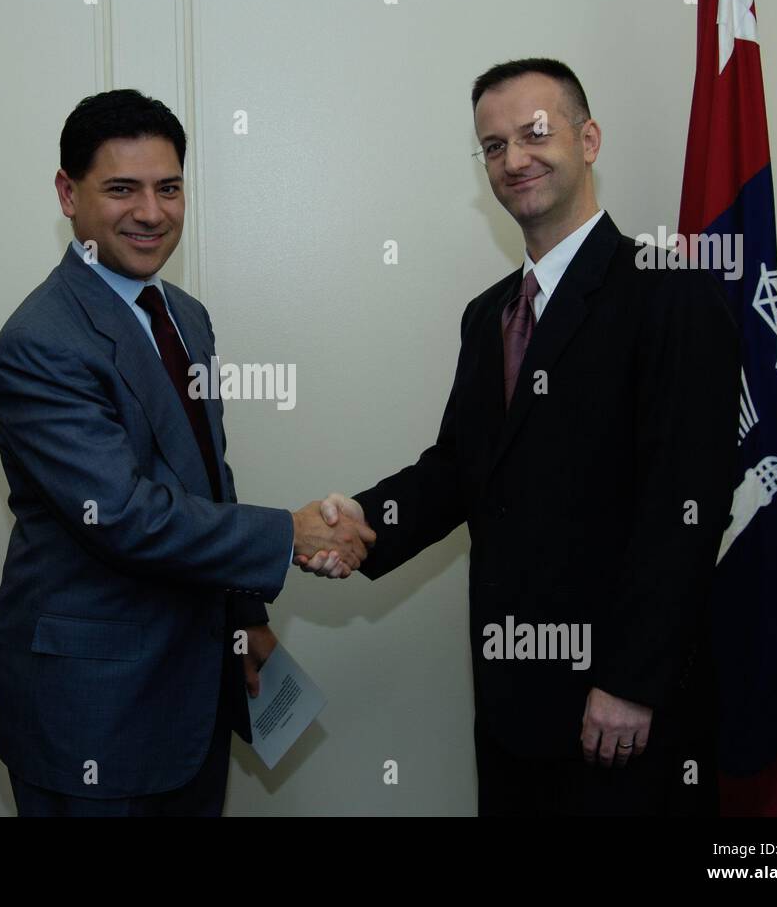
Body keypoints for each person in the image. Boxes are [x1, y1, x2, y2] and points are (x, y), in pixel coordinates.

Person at [298, 59, 740, 815]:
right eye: (493, 145)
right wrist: (360, 526)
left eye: (535, 132)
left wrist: (631, 681)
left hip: (621, 714)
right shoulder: (488, 314)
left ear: (589, 137)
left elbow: (685, 507)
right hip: (509, 705)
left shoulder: (670, 293)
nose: (514, 158)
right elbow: (459, 470)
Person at [0, 89, 375, 816]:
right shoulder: (41, 341)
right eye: (122, 189)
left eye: (168, 187)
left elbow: (205, 475)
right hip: (94, 716)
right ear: (68, 194)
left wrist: (244, 613)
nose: (151, 212)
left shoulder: (183, 315)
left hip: (194, 689)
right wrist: (289, 534)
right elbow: (126, 513)